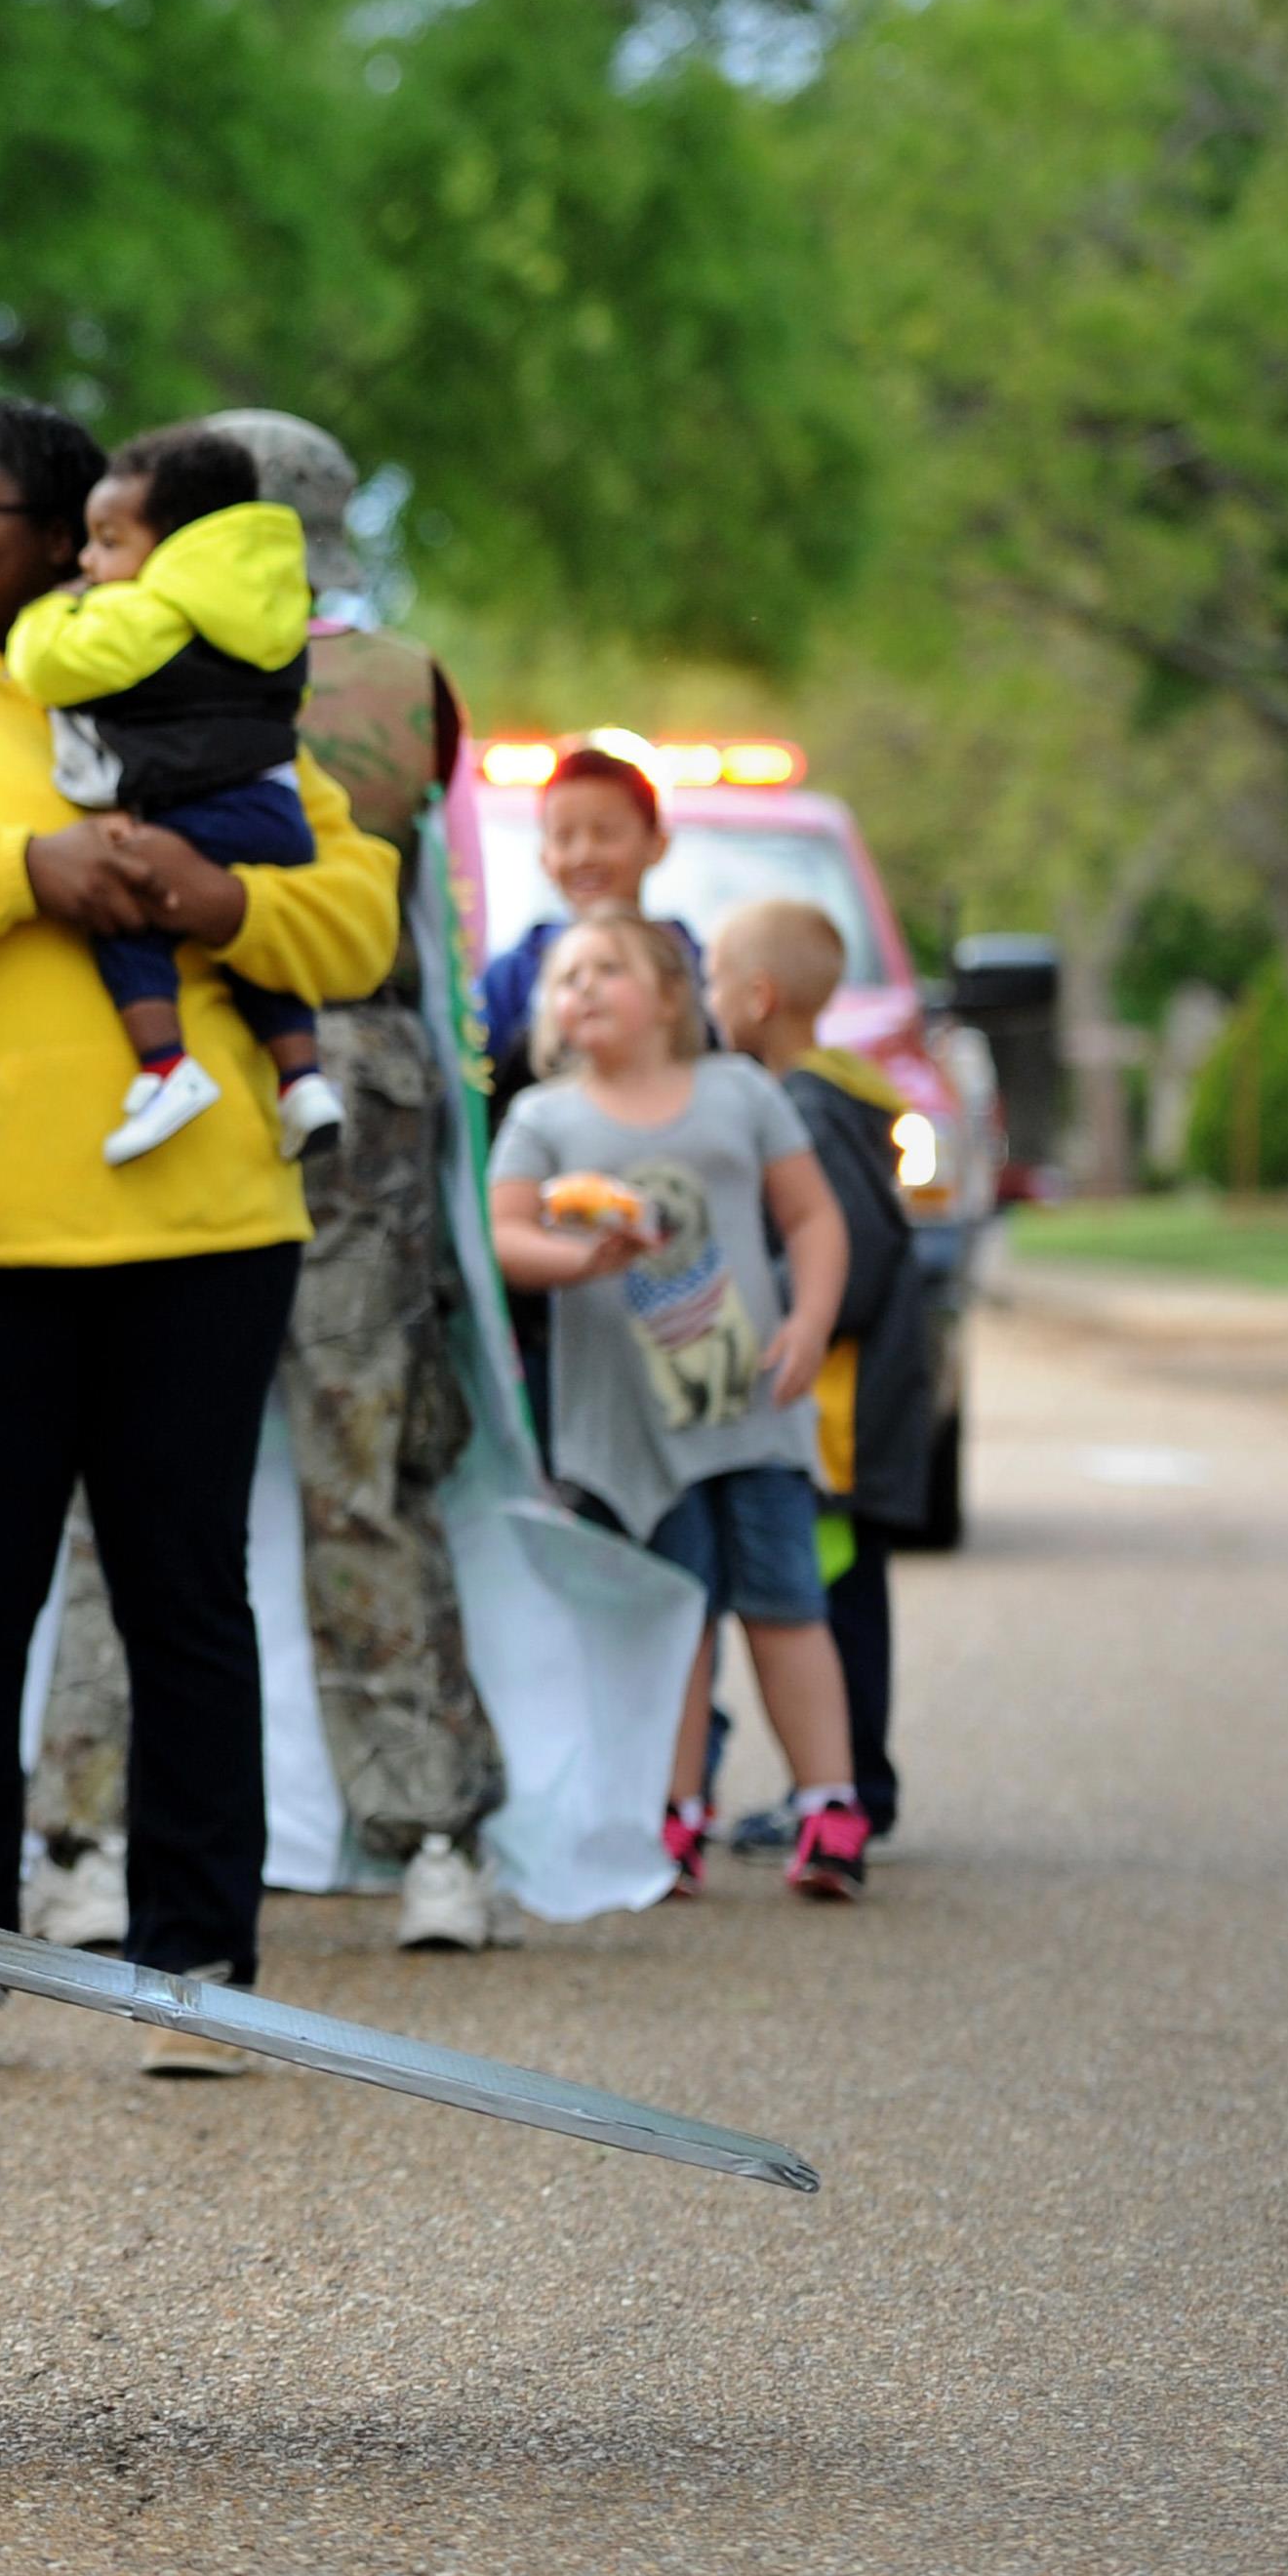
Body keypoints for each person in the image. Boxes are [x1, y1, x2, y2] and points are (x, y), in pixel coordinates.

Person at [0, 396, 395, 2079]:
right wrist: (25, 867)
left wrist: (209, 902)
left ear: (66, 538)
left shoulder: (201, 703)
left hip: (203, 1233)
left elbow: (353, 917)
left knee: (187, 1600)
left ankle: (195, 1969)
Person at [16, 405, 513, 1952]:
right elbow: (442, 924)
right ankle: (428, 1833)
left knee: (131, 1488)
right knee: (363, 1476)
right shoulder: (396, 680)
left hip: (168, 1072)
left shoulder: (91, 640)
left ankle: (85, 1835)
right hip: (346, 1094)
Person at [487, 914, 866, 1901]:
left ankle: (827, 1800)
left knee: (785, 1603)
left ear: (668, 991)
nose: (581, 988)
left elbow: (811, 1215)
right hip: (626, 1432)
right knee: (670, 1617)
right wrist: (580, 1259)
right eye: (564, 976)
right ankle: (671, 1808)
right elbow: (499, 1234)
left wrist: (811, 1316)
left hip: (751, 1407)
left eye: (606, 968)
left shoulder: (736, 1094)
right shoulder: (543, 1117)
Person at [4, 426, 340, 1166]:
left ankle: (164, 1070)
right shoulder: (279, 618)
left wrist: (48, 609)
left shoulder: (151, 612)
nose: (91, 562)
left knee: (122, 914)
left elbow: (49, 666)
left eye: (109, 542)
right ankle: (302, 1077)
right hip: (276, 809)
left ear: (179, 545)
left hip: (196, 812)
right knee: (252, 953)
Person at [704, 899, 929, 1842]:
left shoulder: (804, 1108)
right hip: (849, 1399)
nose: (709, 1001)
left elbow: (854, 1254)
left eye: (714, 982)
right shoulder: (843, 1094)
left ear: (758, 997)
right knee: (836, 1590)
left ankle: (854, 1791)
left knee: (833, 1596)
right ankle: (846, 1787)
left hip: (837, 1407)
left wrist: (779, 1317)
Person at [479, 744, 690, 1117]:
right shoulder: (511, 978)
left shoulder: (690, 964)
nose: (583, 854)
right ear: (543, 855)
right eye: (563, 837)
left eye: (605, 834)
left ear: (657, 843)